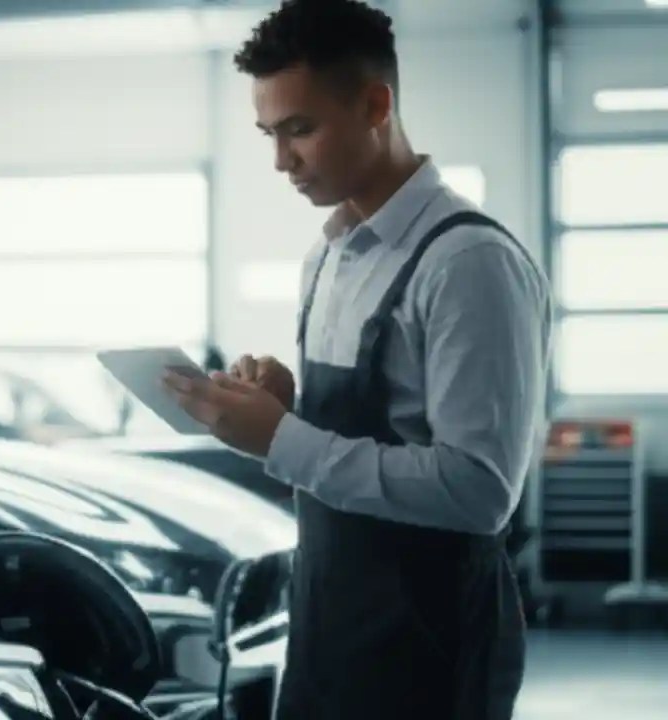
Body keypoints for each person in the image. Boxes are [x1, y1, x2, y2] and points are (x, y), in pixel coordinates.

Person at [162, 1, 552, 718]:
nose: (281, 161)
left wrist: (282, 438)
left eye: (300, 130)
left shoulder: (469, 263)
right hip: (329, 624)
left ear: (376, 105)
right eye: (269, 135)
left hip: (431, 647)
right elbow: (360, 439)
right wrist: (285, 408)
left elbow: (478, 490)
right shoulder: (328, 256)